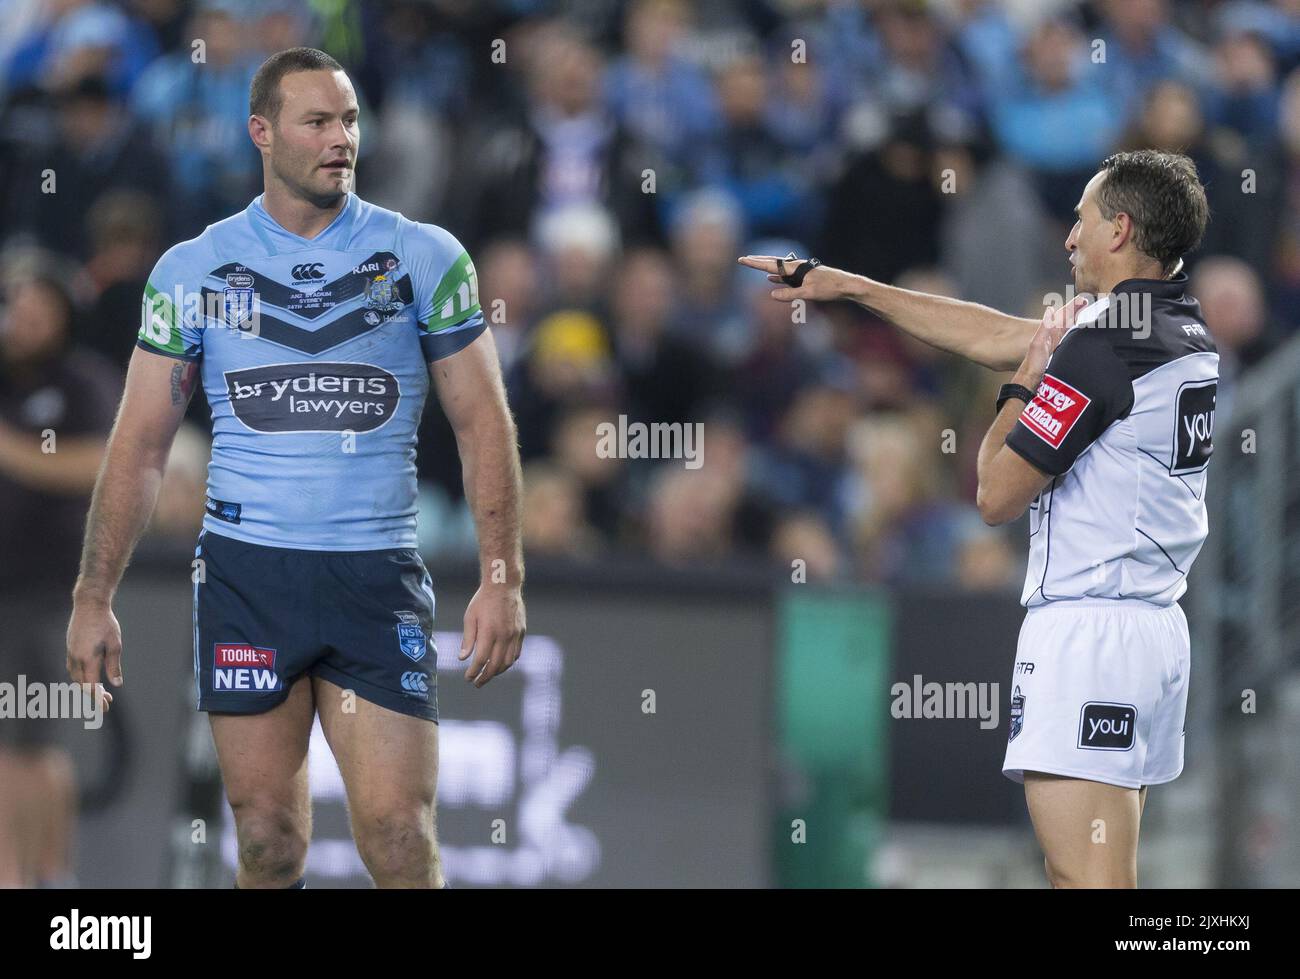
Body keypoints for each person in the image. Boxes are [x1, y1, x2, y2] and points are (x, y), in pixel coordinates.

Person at [64, 47, 526, 889]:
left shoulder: (423, 257)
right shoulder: (193, 269)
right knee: (269, 841)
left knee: (399, 835)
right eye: (317, 121)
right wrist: (94, 595)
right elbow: (139, 445)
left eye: (349, 120)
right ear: (262, 132)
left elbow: (483, 423)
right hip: (249, 576)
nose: (341, 138)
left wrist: (503, 576)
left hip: (375, 574)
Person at [740, 149, 1216, 888]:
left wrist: (1021, 389)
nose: (1069, 238)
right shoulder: (1172, 324)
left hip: (1092, 634)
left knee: (1088, 880)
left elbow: (994, 494)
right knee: (1093, 876)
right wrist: (853, 288)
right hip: (1148, 630)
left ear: (1120, 229)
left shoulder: (1102, 349)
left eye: (1082, 220)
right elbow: (997, 335)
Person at [0, 260, 121, 887]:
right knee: (18, 746)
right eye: (16, 310)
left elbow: (101, 464)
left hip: (51, 591)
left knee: (31, 744)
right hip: (5, 588)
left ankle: (40, 876)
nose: (23, 323)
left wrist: (12, 449)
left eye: (38, 312)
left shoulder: (81, 382)